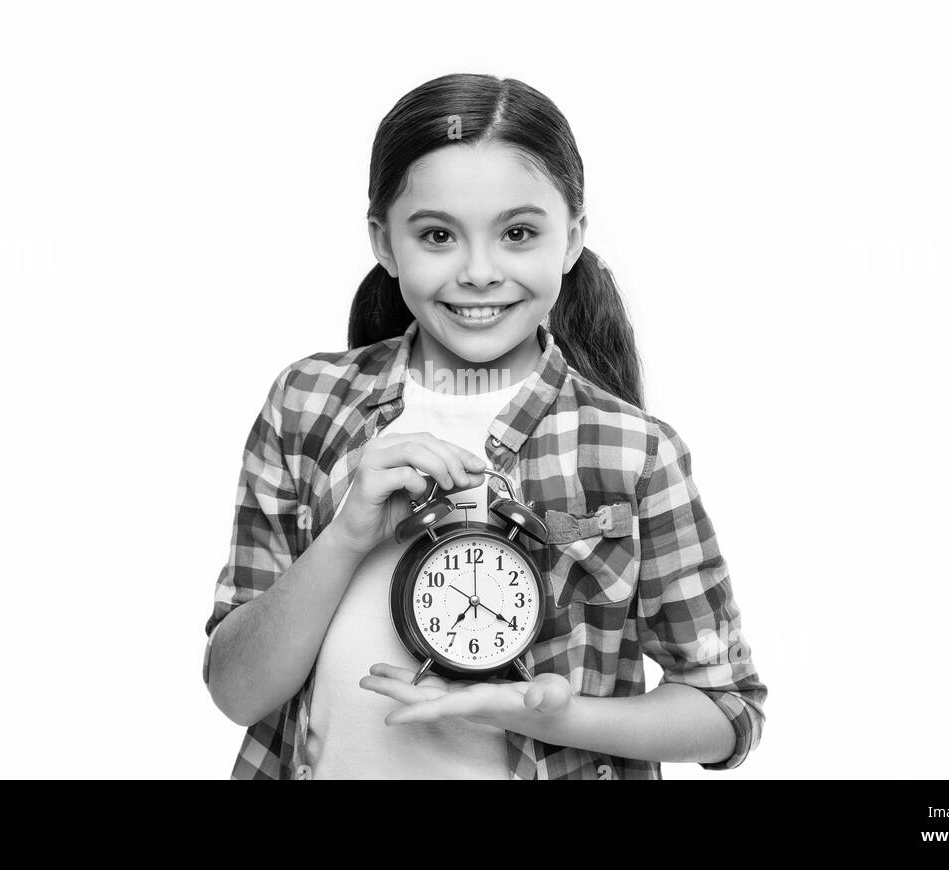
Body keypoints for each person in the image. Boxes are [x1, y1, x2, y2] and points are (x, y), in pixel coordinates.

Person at [203, 73, 767, 780]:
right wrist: (346, 535)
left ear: (572, 240)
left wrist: (554, 717)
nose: (477, 272)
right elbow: (236, 690)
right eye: (437, 235)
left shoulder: (633, 452)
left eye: (518, 233)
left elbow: (727, 711)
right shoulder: (307, 405)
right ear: (383, 241)